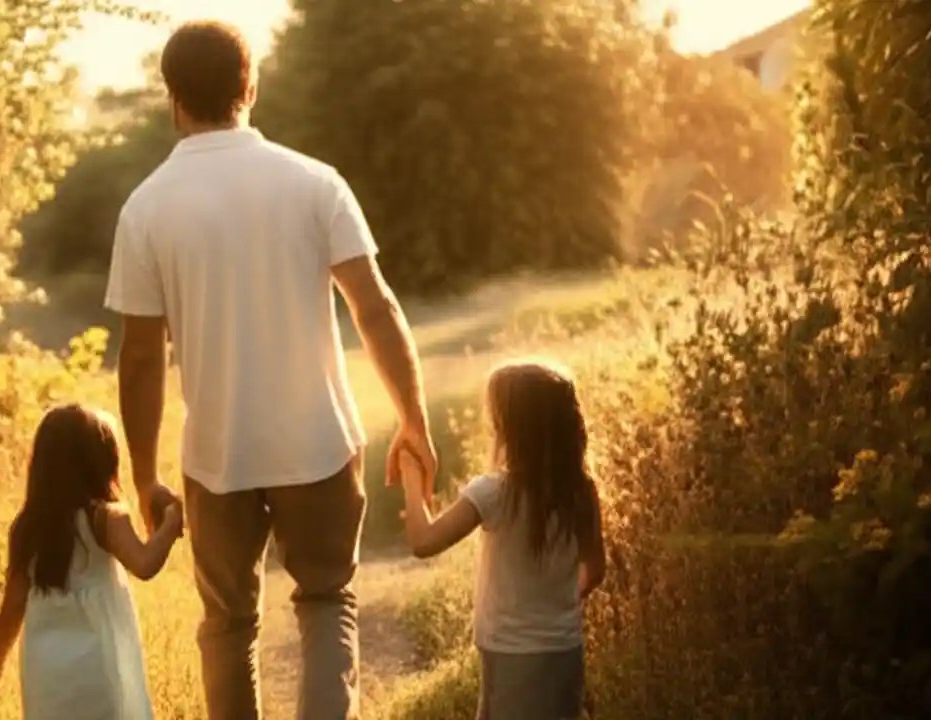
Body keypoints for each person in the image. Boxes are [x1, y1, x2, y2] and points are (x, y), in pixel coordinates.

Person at [105, 20, 436, 720]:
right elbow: (374, 308)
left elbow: (140, 359)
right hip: (317, 441)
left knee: (227, 625)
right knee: (324, 601)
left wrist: (142, 475)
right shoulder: (315, 183)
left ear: (172, 98)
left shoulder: (145, 208)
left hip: (217, 455)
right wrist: (414, 420)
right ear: (250, 87)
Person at [396, 361, 607, 720]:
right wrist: (555, 607)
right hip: (564, 649)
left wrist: (410, 476)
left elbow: (423, 540)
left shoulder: (494, 492)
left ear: (511, 431)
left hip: (512, 655)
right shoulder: (581, 491)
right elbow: (596, 568)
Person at [0, 404, 184, 719]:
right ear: (102, 461)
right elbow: (144, 564)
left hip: (44, 667)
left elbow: (13, 602)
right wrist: (170, 524)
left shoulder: (27, 527)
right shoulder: (105, 518)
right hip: (98, 661)